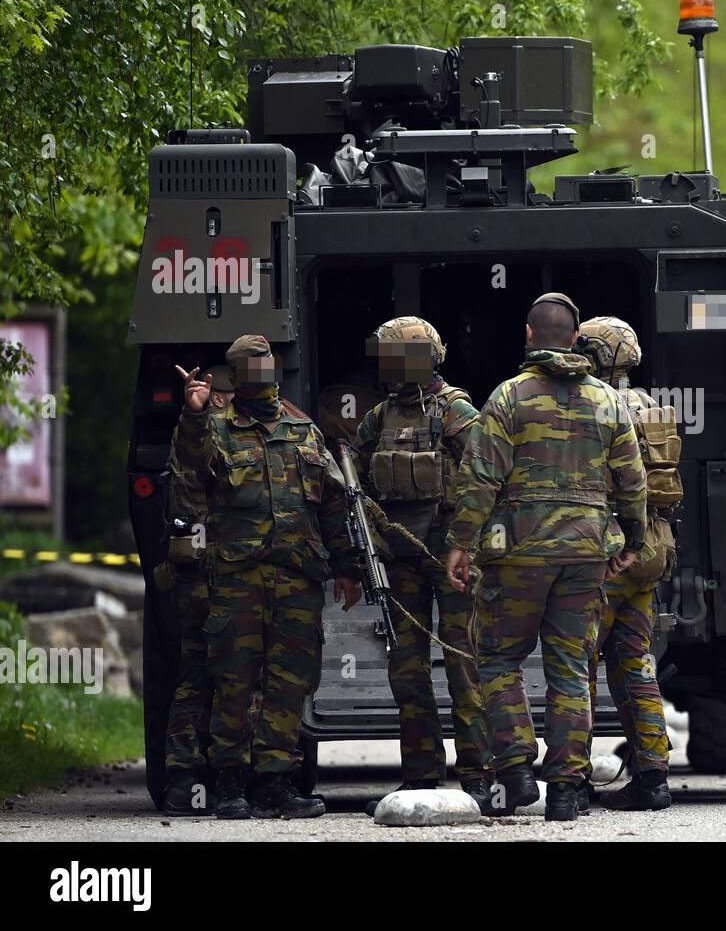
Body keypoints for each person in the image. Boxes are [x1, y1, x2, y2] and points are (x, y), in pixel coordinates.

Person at [445, 293, 647, 821]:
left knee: (498, 659)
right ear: (575, 339)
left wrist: (461, 543)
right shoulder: (608, 401)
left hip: (518, 553)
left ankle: (514, 771)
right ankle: (563, 791)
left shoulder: (508, 398)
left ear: (530, 335)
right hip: (584, 554)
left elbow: (480, 477)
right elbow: (633, 479)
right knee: (571, 668)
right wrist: (633, 538)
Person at [174, 336, 362, 820]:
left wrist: (347, 568)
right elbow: (194, 468)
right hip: (237, 579)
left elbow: (334, 504)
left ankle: (274, 782)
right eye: (250, 369)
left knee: (289, 682)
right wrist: (194, 414)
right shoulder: (215, 429)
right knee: (235, 680)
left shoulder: (304, 430)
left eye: (267, 367)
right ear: (234, 379)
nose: (261, 377)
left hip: (297, 577)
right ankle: (230, 781)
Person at [353, 316, 492, 811]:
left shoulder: (455, 411)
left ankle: (479, 773)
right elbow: (358, 485)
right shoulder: (379, 417)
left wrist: (470, 544)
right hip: (401, 558)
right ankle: (420, 775)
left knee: (464, 665)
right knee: (406, 672)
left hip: (449, 555)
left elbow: (483, 478)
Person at [576, 317, 680, 811]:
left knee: (578, 665)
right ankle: (653, 775)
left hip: (605, 554)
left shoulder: (591, 407)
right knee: (637, 662)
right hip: (648, 552)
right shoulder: (651, 407)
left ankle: (571, 779)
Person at [156, 365, 234, 815]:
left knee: (206, 676)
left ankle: (198, 778)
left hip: (217, 575)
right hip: (208, 576)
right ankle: (189, 778)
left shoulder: (205, 434)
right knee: (207, 675)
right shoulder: (203, 435)